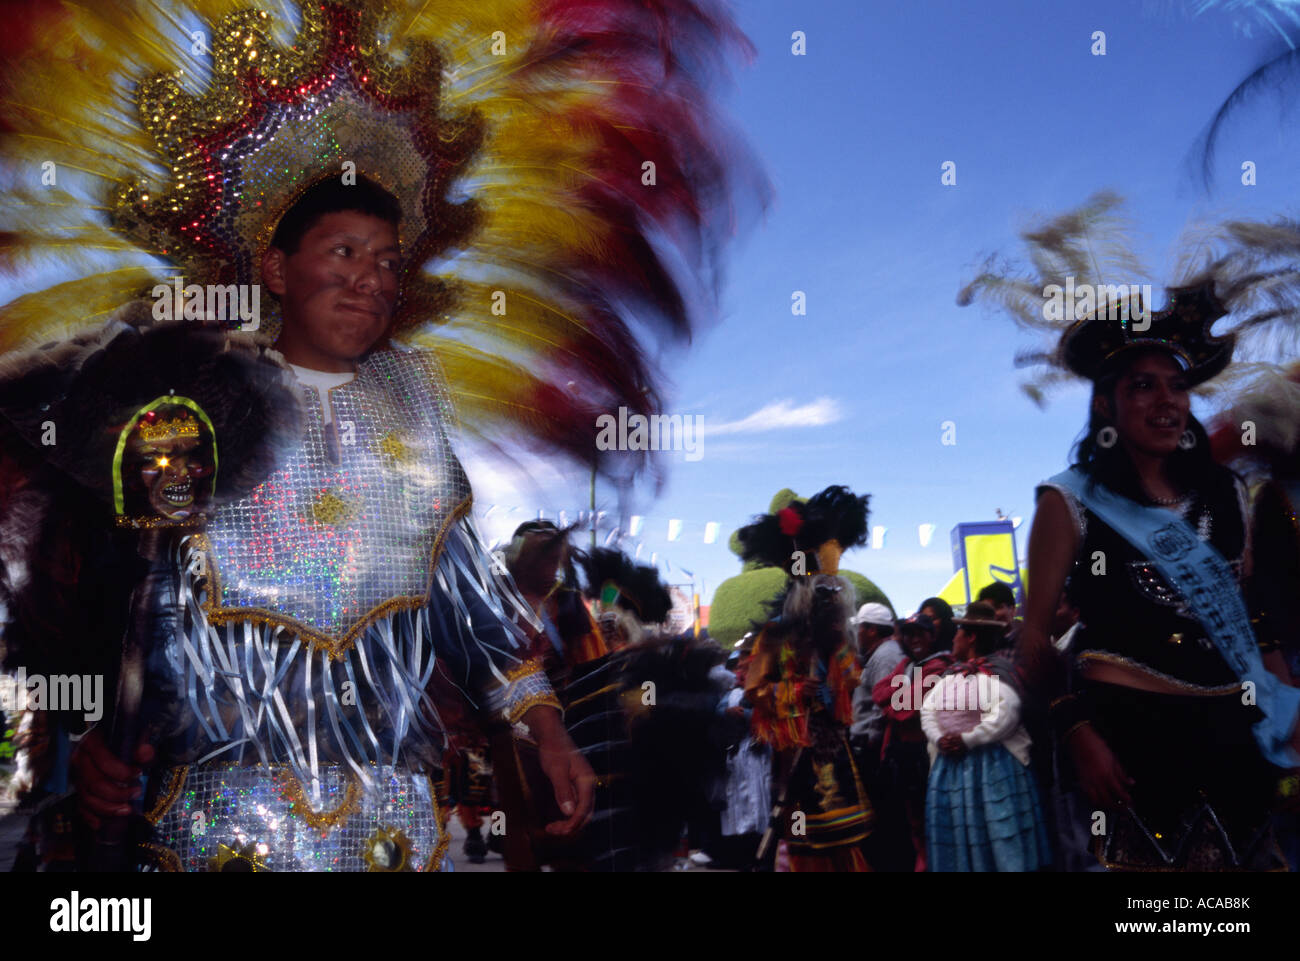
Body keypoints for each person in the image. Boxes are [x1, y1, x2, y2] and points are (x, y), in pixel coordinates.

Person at [69, 178, 594, 872]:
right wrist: (94, 735)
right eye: (344, 252)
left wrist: (549, 730)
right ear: (278, 271)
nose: (369, 279)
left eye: (385, 261)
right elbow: (126, 609)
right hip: (220, 826)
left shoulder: (420, 442)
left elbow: (475, 623)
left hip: (387, 831)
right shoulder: (195, 419)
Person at [1020, 286, 1300, 870]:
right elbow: (1032, 643)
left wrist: (1289, 703)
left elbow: (1248, 611)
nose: (1167, 401)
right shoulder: (1068, 501)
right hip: (1129, 739)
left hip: (1235, 732)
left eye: (1178, 386)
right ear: (1105, 405)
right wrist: (1075, 731)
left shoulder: (1224, 493)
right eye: (1143, 385)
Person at [740, 485, 875, 871]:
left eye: (834, 596)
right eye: (823, 595)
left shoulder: (838, 639)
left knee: (846, 839)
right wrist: (796, 690)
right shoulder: (776, 634)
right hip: (795, 751)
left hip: (834, 747)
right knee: (803, 839)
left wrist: (836, 657)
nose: (829, 601)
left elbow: (852, 682)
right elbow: (754, 690)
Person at [922, 602, 1050, 872]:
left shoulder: (998, 672)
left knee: (997, 828)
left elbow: (1007, 712)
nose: (953, 637)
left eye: (959, 632)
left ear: (971, 636)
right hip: (952, 769)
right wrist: (939, 738)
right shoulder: (949, 675)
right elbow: (928, 712)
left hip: (993, 769)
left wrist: (968, 739)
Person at [873, 612, 955, 871]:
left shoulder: (940, 666)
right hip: (905, 754)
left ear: (932, 636)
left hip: (927, 754)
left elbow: (903, 708)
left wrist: (894, 700)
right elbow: (879, 692)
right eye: (909, 634)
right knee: (914, 820)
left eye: (920, 633)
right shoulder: (908, 664)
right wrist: (897, 700)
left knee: (933, 819)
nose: (914, 639)